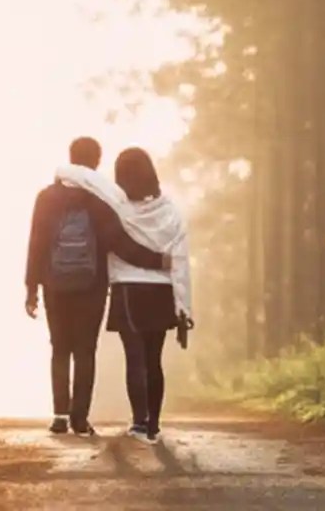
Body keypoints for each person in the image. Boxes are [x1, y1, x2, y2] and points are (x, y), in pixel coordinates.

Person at [25, 137, 171, 436]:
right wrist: (158, 260)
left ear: (70, 157)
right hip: (91, 286)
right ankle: (80, 418)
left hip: (54, 283)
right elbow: (119, 243)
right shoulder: (99, 200)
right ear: (96, 162)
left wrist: (31, 288)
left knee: (59, 348)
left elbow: (37, 244)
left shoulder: (45, 197)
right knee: (85, 350)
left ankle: (59, 416)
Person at [55, 147, 191, 445]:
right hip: (162, 291)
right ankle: (152, 425)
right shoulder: (171, 211)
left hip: (128, 289)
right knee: (154, 360)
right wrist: (184, 308)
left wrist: (62, 171)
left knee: (136, 358)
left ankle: (139, 422)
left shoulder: (118, 205)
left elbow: (86, 179)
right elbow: (180, 261)